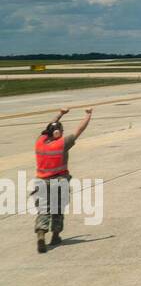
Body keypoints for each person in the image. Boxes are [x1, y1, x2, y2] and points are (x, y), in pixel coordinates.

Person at [33, 107, 92, 253]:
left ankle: (41, 234)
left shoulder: (40, 142)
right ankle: (55, 236)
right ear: (59, 133)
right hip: (60, 181)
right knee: (58, 208)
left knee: (43, 209)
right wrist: (88, 115)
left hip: (42, 182)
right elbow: (79, 130)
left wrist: (60, 114)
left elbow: (49, 127)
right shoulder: (62, 144)